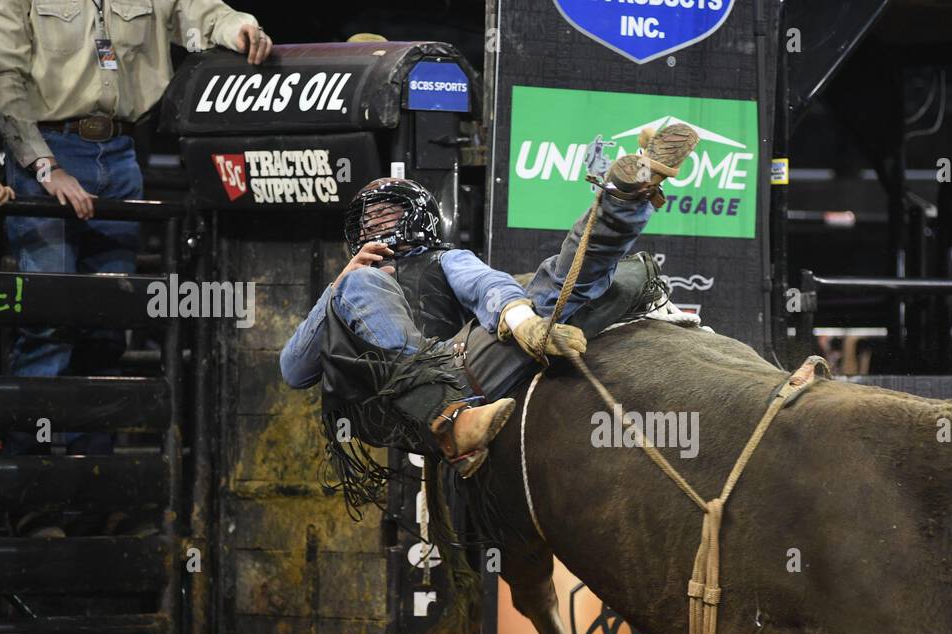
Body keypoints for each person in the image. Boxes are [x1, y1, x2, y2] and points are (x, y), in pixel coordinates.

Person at [280, 122, 699, 482]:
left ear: (419, 217)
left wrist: (521, 320)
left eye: (389, 213)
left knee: (549, 287)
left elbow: (484, 284)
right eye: (369, 219)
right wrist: (338, 285)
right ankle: (447, 417)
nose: (378, 224)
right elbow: (295, 371)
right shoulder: (350, 286)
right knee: (363, 283)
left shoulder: (445, 259)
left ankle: (623, 198)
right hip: (383, 407)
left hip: (460, 375)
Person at [0, 0, 271, 537]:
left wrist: (241, 28)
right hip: (48, 150)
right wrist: (44, 166)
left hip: (119, 153)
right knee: (49, 327)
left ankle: (93, 492)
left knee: (105, 330)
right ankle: (35, 495)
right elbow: (3, 76)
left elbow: (198, 11)